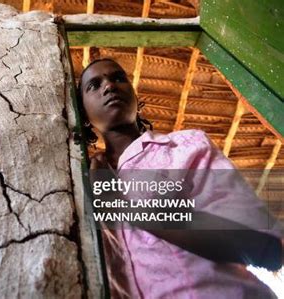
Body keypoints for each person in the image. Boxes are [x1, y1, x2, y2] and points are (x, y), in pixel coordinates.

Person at [77, 58, 283, 298]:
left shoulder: (187, 147)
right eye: (94, 85)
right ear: (82, 111)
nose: (110, 86)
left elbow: (264, 248)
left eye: (118, 78)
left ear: (134, 95)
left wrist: (125, 208)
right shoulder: (85, 180)